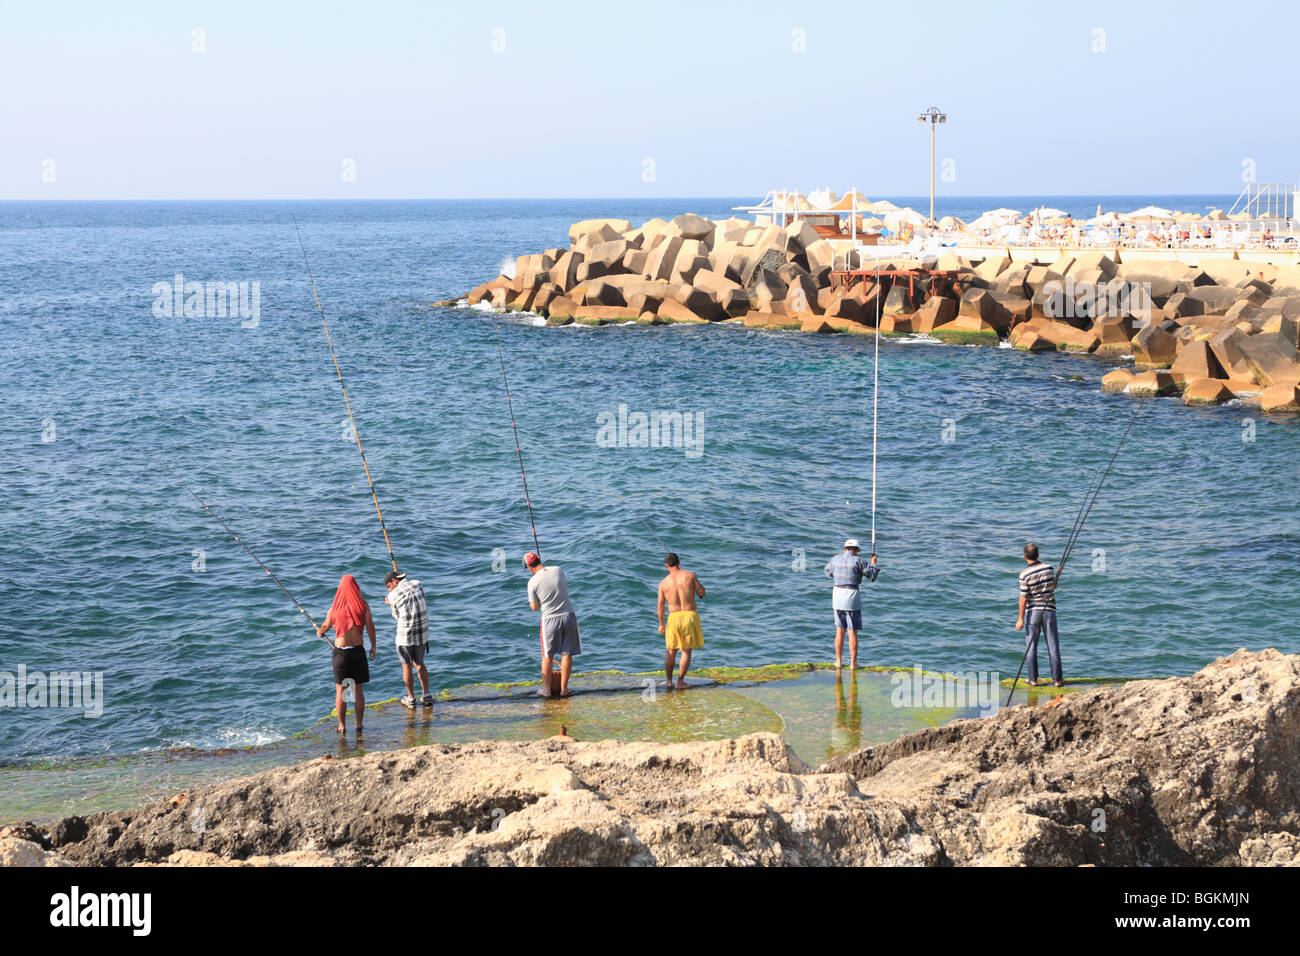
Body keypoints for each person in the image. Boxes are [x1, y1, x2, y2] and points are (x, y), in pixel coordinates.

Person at [317, 574, 377, 734]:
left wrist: (319, 631)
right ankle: (358, 724)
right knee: (358, 690)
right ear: (355, 587)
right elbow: (370, 627)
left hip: (340, 655)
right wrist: (373, 647)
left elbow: (324, 628)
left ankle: (342, 726)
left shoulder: (334, 609)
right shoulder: (363, 605)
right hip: (358, 652)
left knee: (341, 691)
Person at [524, 552, 581, 698]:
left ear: (529, 567)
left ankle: (547, 690)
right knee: (567, 653)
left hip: (549, 620)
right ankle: (564, 689)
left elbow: (535, 607)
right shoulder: (558, 570)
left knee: (547, 655)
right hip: (568, 616)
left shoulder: (532, 582)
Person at [824, 538, 880, 670]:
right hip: (851, 597)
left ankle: (838, 661)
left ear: (845, 549)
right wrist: (874, 564)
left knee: (839, 631)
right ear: (855, 550)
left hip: (837, 596)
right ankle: (853, 663)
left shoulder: (835, 559)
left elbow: (827, 571)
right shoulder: (858, 561)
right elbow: (872, 575)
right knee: (852, 632)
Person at [1015, 542, 1063, 687]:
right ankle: (1058, 680)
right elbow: (1053, 586)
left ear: (1025, 557)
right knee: (1053, 646)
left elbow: (1023, 598)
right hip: (1049, 611)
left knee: (1031, 647)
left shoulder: (1024, 575)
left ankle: (1033, 679)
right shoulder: (1049, 568)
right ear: (1038, 555)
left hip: (1033, 612)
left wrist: (1020, 619)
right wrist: (1057, 576)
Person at [657, 552, 705, 689]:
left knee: (671, 651)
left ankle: (668, 681)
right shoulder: (690, 576)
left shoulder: (663, 583)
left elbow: (660, 606)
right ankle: (680, 682)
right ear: (679, 562)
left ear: (666, 566)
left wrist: (661, 624)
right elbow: (701, 593)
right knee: (686, 651)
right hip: (689, 616)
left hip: (673, 617)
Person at [384, 570, 431, 710]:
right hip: (422, 633)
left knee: (406, 666)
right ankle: (427, 695)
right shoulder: (417, 583)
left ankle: (411, 699)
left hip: (405, 636)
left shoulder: (392, 595)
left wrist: (390, 600)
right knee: (420, 664)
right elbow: (408, 589)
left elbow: (397, 617)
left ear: (394, 582)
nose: (389, 589)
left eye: (388, 586)